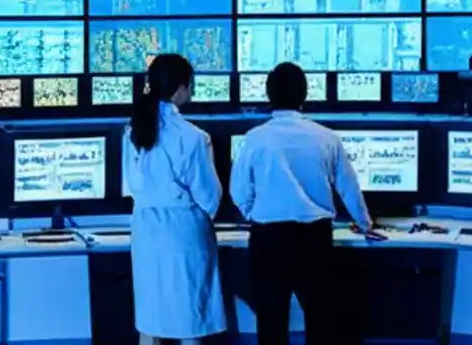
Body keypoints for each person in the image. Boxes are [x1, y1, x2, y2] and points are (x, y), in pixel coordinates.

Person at [230, 61, 385, 345]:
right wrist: (365, 224)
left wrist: (255, 213)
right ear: (305, 95)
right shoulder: (326, 137)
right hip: (314, 239)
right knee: (321, 322)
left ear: (268, 96)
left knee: (271, 323)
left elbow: (238, 190)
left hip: (268, 238)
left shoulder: (255, 139)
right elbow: (348, 187)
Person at [123, 53, 226, 345]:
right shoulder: (193, 137)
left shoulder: (132, 131)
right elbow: (209, 196)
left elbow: (133, 184)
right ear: (180, 88)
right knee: (189, 320)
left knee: (151, 319)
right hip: (184, 234)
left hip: (146, 232)